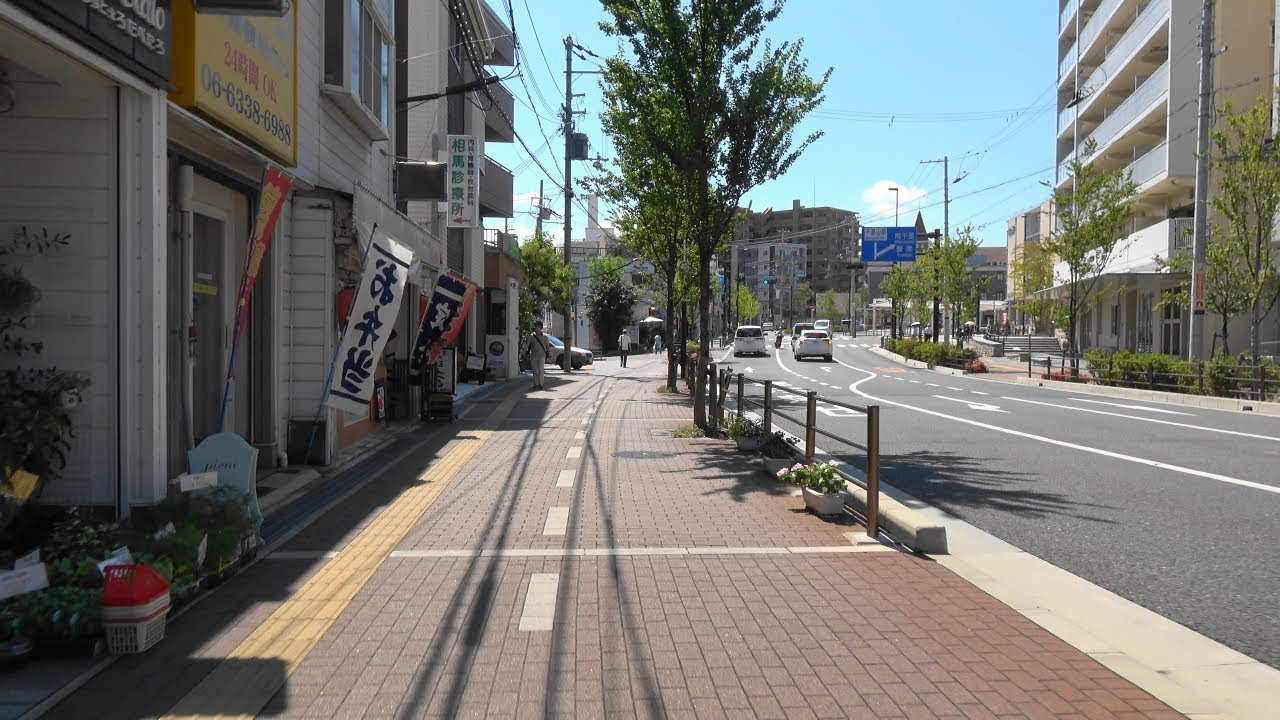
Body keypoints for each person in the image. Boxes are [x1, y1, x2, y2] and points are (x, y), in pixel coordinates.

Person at [527, 320, 552, 390]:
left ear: (541, 328)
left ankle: (541, 384)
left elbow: (547, 346)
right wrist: (524, 353)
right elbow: (527, 345)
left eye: (537, 326)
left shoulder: (544, 337)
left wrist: (549, 354)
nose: (536, 328)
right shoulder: (531, 336)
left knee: (541, 370)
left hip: (542, 355)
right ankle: (536, 384)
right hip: (533, 355)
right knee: (535, 370)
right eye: (535, 326)